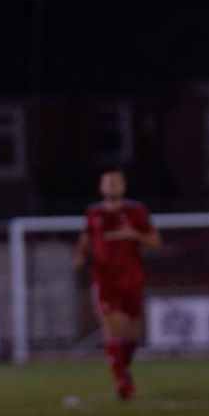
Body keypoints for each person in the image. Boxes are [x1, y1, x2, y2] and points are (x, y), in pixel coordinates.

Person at [72, 168, 161, 400]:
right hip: (104, 277)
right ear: (101, 188)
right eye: (108, 183)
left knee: (132, 334)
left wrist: (135, 234)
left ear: (123, 187)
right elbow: (87, 240)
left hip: (131, 277)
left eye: (116, 183)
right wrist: (80, 255)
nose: (112, 186)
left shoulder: (136, 211)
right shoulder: (94, 213)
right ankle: (122, 382)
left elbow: (155, 240)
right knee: (112, 327)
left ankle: (125, 370)